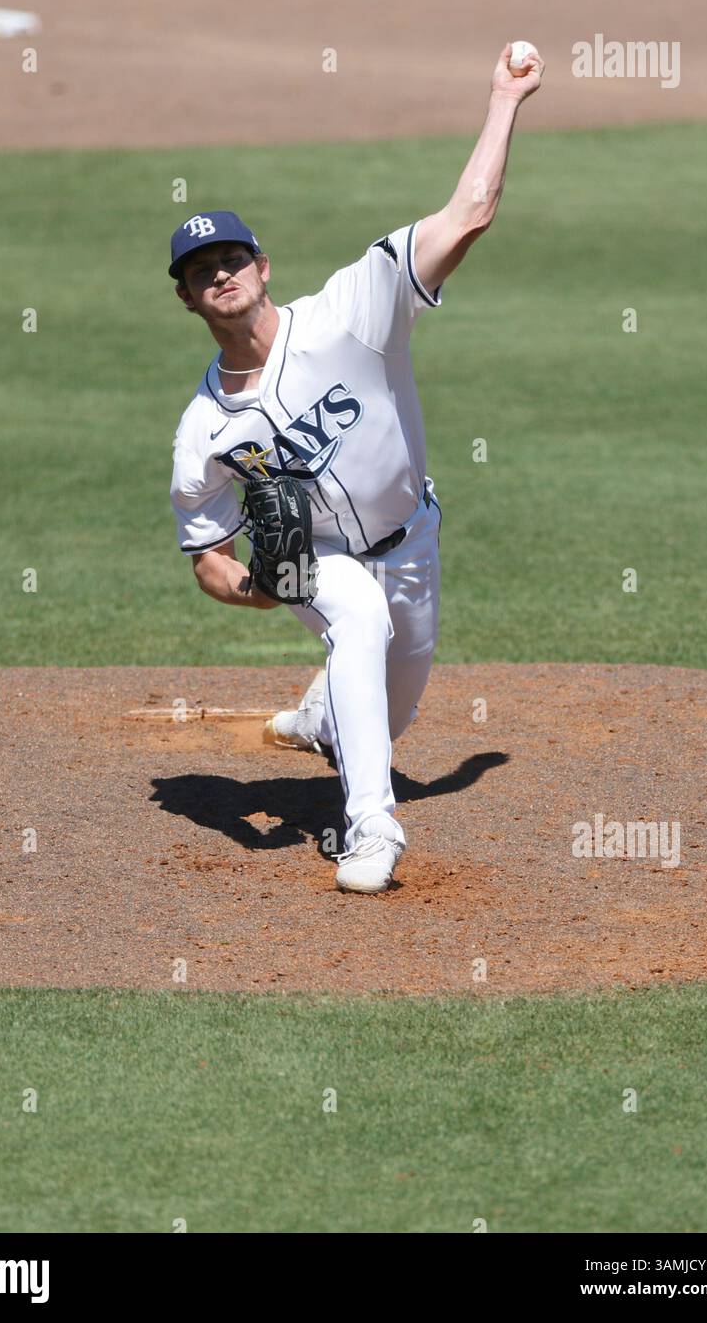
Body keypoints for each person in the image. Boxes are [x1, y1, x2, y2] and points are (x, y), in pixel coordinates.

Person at [169, 43, 544, 893]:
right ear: (187, 299)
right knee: (356, 617)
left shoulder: (351, 312)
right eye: (199, 271)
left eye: (230, 259)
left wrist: (503, 100)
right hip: (322, 563)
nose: (218, 273)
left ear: (263, 269)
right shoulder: (203, 432)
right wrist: (252, 591)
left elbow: (469, 213)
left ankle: (318, 719)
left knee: (393, 699)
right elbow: (207, 558)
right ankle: (370, 825)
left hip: (412, 541)